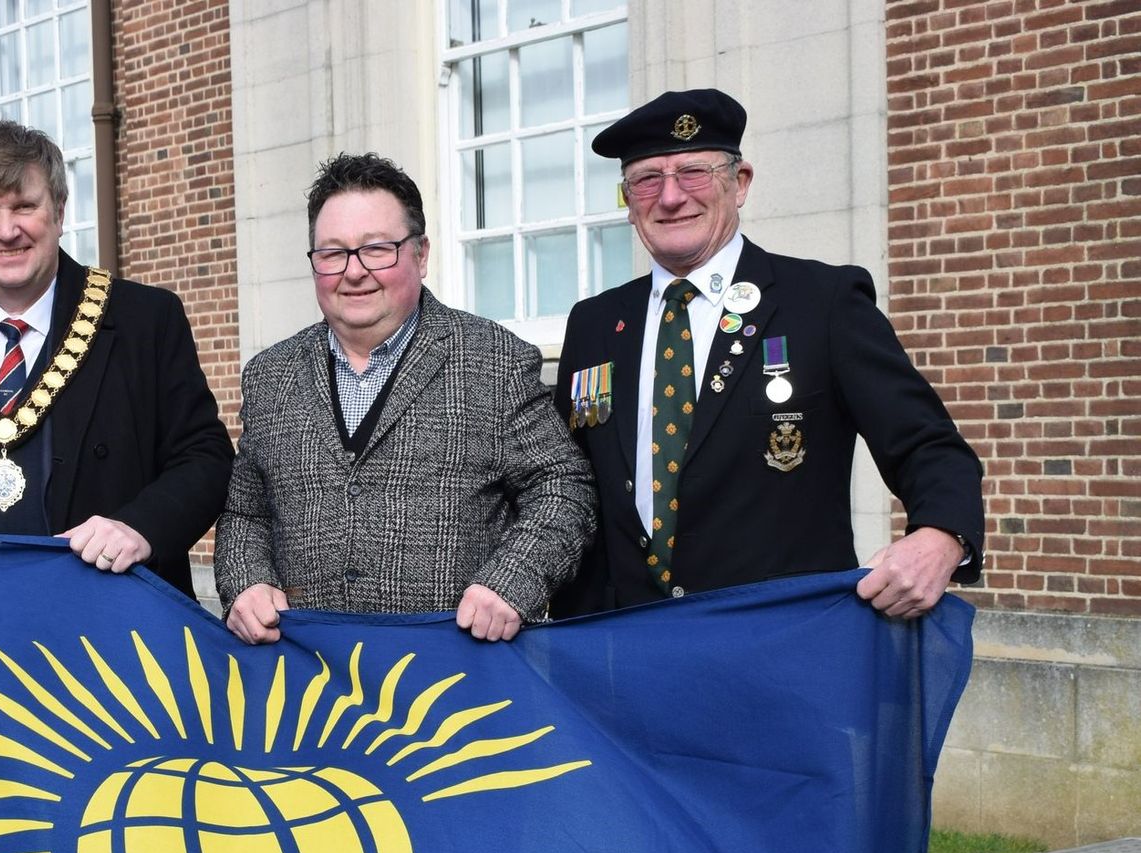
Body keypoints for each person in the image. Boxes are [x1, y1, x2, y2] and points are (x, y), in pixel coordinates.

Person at [552, 89, 983, 619]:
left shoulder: (823, 303)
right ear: (627, 199)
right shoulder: (595, 324)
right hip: (621, 647)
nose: (669, 197)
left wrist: (939, 538)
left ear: (740, 183)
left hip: (779, 644)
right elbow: (562, 482)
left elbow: (928, 445)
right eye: (646, 180)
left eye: (693, 172)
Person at [216, 153, 596, 644]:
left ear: (421, 253)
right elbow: (246, 512)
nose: (353, 272)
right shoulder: (271, 376)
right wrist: (246, 581)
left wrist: (511, 583)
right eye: (332, 253)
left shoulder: (493, 360)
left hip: (457, 674)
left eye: (377, 249)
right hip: (311, 676)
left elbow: (563, 486)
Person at [0, 120, 232, 596]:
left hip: (107, 622)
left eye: (25, 206)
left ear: (59, 210)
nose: (7, 231)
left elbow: (206, 459)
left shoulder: (145, 321)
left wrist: (140, 527)